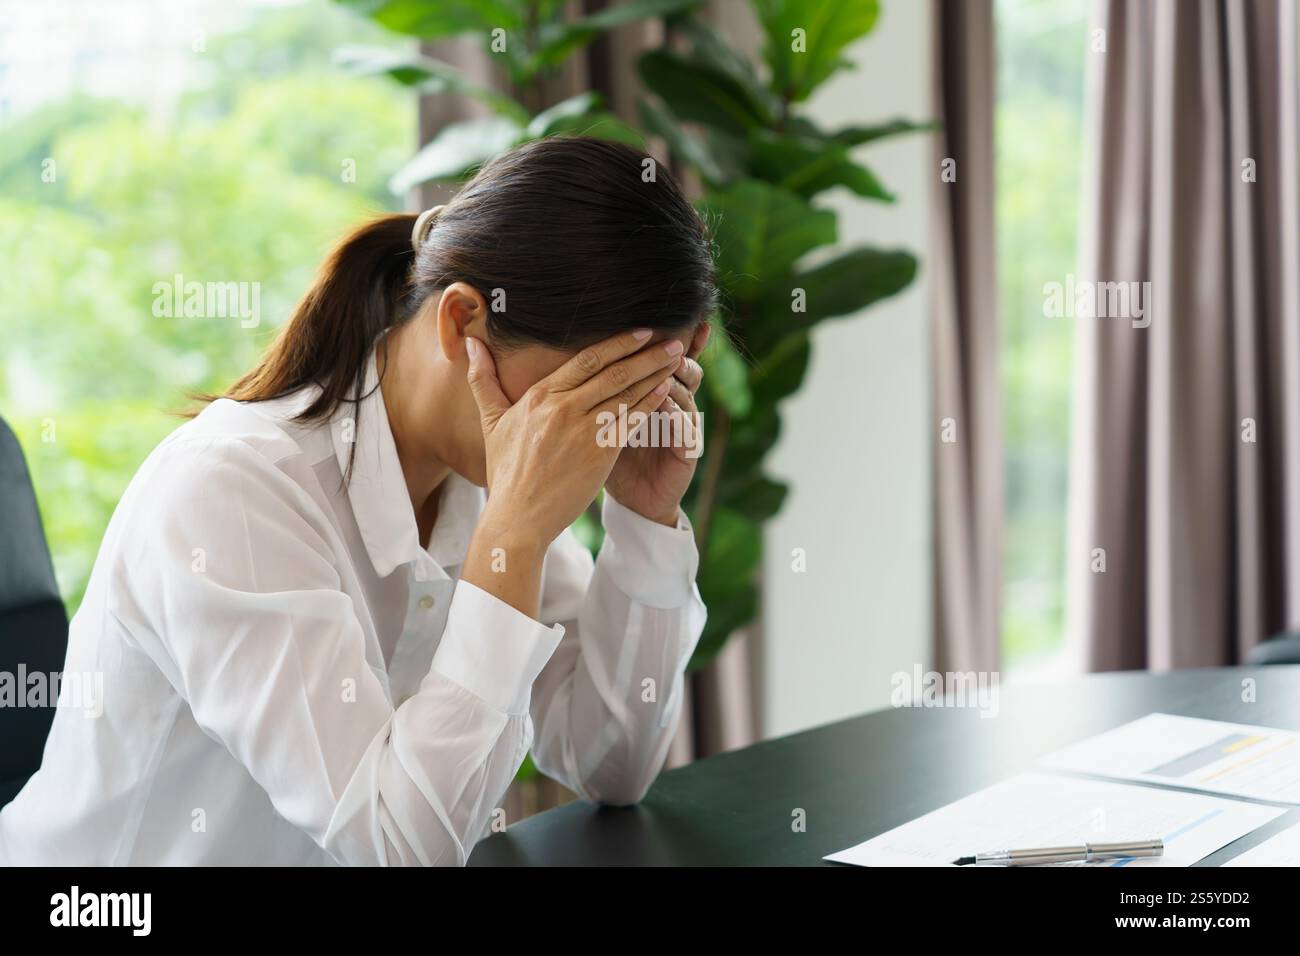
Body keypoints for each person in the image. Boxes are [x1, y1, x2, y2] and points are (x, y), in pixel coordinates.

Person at [0, 136, 716, 865]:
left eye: (635, 399)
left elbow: (611, 766)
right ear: (463, 322)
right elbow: (395, 844)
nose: (601, 437)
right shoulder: (231, 492)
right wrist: (517, 537)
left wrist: (645, 513)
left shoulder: (484, 474)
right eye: (584, 398)